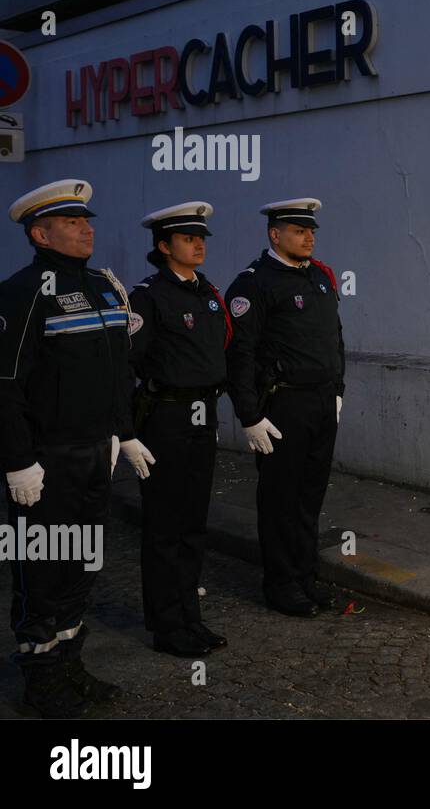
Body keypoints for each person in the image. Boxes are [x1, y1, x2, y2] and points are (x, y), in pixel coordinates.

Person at [0, 180, 154, 717]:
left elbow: (118, 373)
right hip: (46, 459)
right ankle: (42, 682)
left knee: (80, 565)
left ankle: (70, 665)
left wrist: (124, 431)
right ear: (40, 233)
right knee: (41, 570)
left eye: (86, 221)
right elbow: (5, 385)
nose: (87, 228)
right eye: (72, 223)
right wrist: (18, 461)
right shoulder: (22, 292)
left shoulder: (104, 286)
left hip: (96, 452)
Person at [225, 199, 344, 618]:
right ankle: (280, 584)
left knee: (310, 496)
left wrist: (338, 389)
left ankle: (304, 576)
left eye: (311, 230)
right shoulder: (254, 284)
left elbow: (334, 337)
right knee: (281, 499)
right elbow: (240, 354)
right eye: (298, 230)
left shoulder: (323, 277)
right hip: (282, 403)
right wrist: (249, 415)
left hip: (321, 401)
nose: (308, 236)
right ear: (275, 235)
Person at [128, 202, 231, 657]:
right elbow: (128, 357)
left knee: (193, 524)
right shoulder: (148, 296)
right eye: (189, 239)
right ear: (164, 246)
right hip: (166, 416)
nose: (198, 245)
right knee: (165, 526)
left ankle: (190, 616)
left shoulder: (207, 291)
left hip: (202, 415)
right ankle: (168, 626)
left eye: (201, 238)